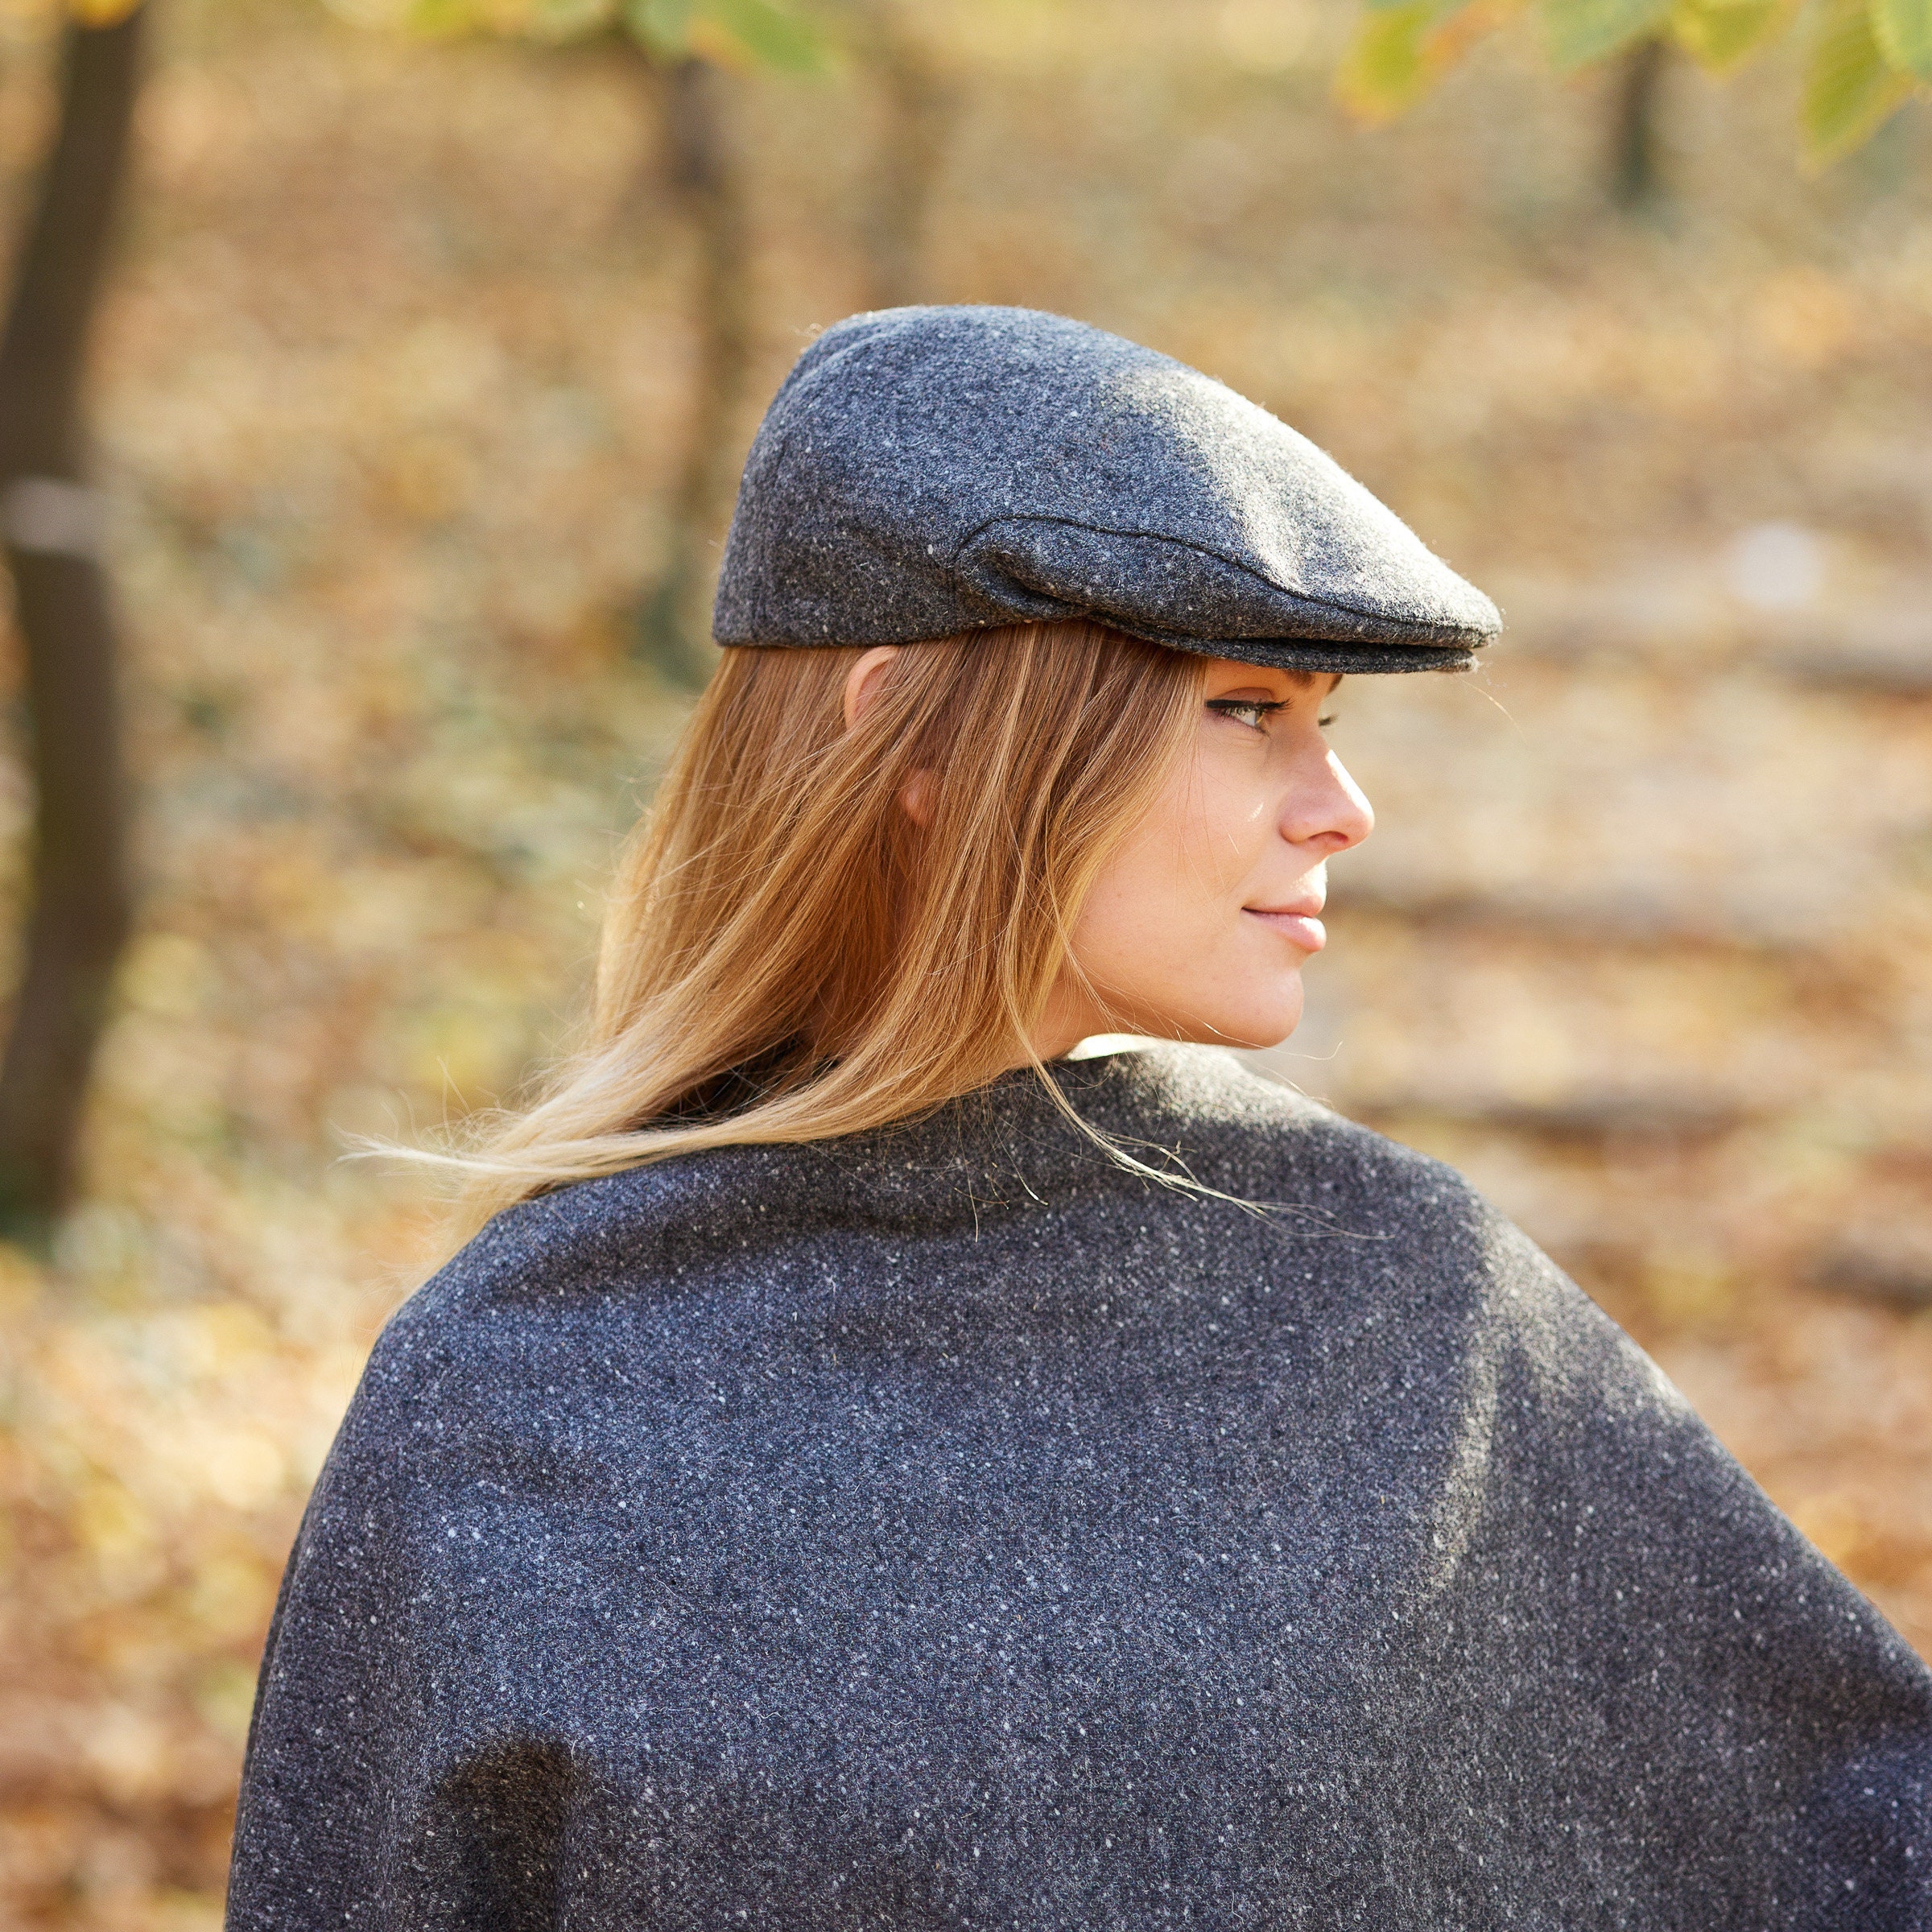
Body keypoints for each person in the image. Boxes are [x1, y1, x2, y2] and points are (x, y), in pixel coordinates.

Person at [226, 307, 1931, 1929]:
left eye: (1322, 722)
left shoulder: (1395, 1298)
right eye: (1247, 711)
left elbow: (1842, 1835)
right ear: (914, 737)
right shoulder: (515, 1392)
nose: (1343, 807)